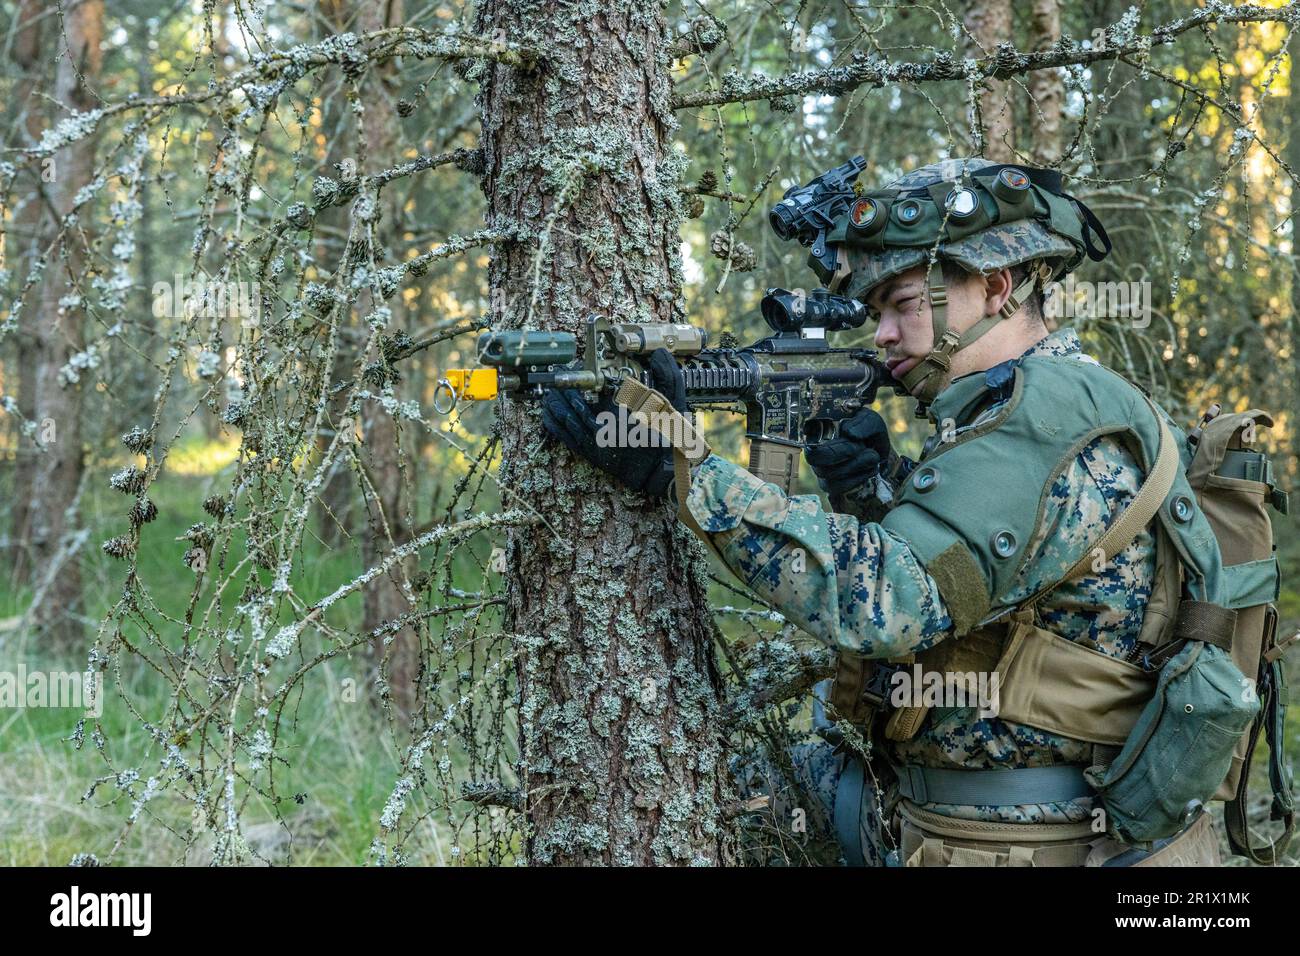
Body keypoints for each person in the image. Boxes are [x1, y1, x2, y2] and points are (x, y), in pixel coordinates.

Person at [542, 157, 1228, 866]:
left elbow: (885, 603)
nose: (883, 336)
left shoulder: (1040, 422)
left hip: (1010, 838)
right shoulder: (1055, 404)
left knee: (693, 807)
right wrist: (875, 489)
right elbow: (991, 590)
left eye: (902, 305)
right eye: (877, 314)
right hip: (985, 808)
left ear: (994, 288)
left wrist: (683, 470)